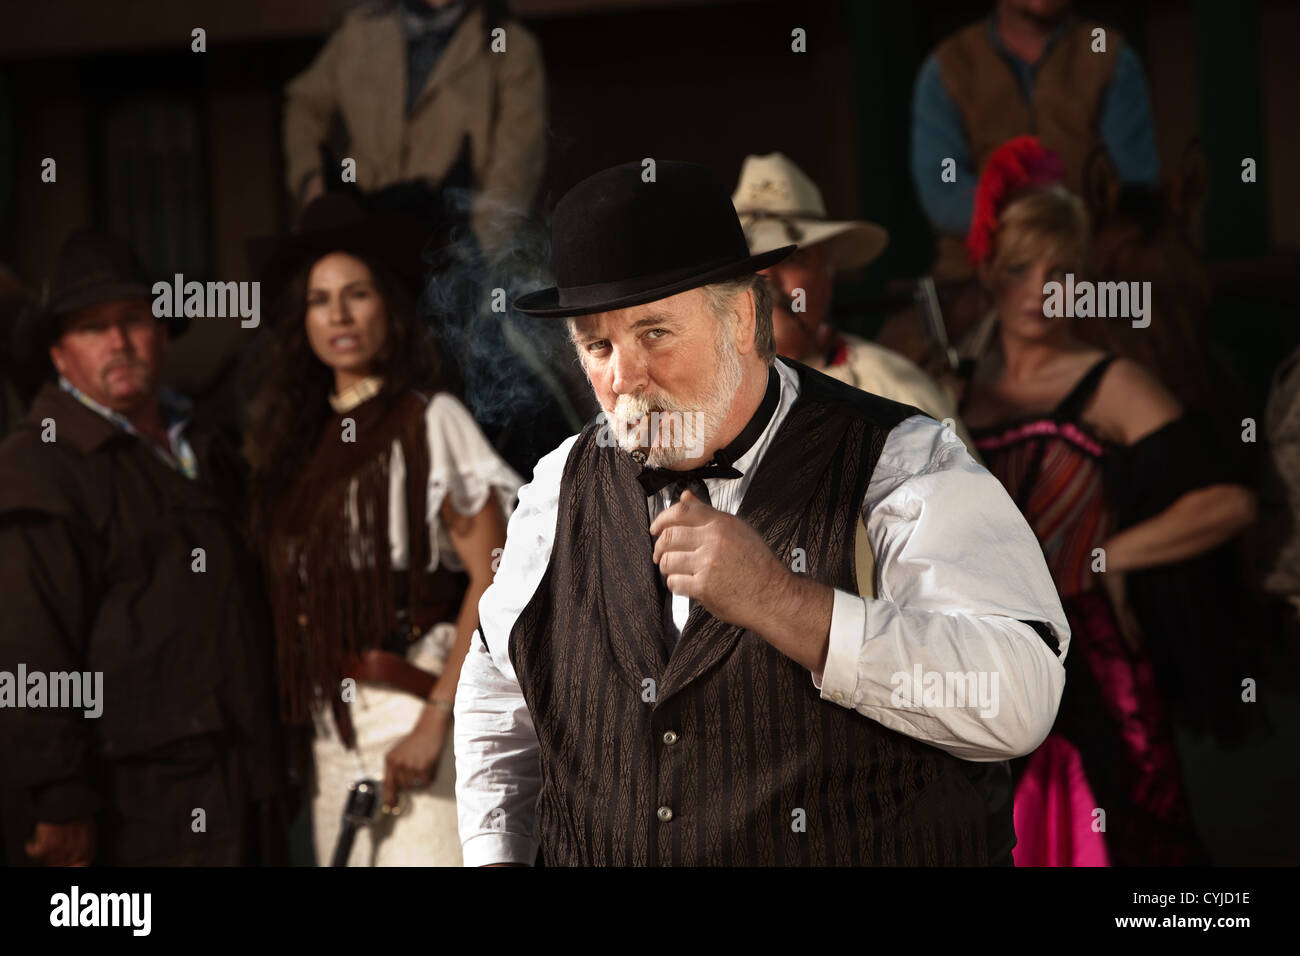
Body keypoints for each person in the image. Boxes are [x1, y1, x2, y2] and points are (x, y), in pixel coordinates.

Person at [454, 160, 1070, 867]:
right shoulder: (559, 486)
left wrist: (782, 601)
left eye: (654, 333)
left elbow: (1019, 698)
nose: (624, 378)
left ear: (743, 318)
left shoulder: (900, 462)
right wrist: (496, 853)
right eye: (598, 346)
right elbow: (498, 695)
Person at [958, 137, 1257, 865]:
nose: (1039, 290)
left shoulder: (1112, 381)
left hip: (1089, 655)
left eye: (1060, 273)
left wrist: (1108, 551)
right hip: (976, 651)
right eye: (1022, 268)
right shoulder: (953, 377)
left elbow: (1231, 501)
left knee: (1118, 836)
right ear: (992, 271)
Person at [245, 193, 520, 866]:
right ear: (301, 321)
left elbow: (494, 574)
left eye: (357, 294)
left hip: (416, 710)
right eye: (319, 299)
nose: (338, 314)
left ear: (388, 310)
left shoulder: (432, 422)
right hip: (330, 735)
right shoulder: (295, 447)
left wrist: (437, 719)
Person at [0, 231, 291, 865]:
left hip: (246, 780)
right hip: (138, 805)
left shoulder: (208, 448)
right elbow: (28, 648)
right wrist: (59, 797)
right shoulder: (38, 466)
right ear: (58, 354)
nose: (118, 342)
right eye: (92, 327)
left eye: (133, 319)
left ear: (161, 332)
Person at [732, 152, 978, 455]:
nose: (766, 277)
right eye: (750, 262)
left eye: (792, 258)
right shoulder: (691, 394)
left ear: (828, 272)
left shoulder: (893, 392)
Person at [910, 0, 1159, 280]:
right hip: (977, 274)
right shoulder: (951, 66)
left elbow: (1132, 185)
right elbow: (944, 182)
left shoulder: (1108, 56)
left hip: (1087, 272)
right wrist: (1020, 222)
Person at [283, 0, 546, 255]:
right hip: (363, 229)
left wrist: (476, 254)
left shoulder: (510, 46)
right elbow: (305, 104)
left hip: (450, 232)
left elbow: (513, 167)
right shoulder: (360, 32)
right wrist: (311, 178)